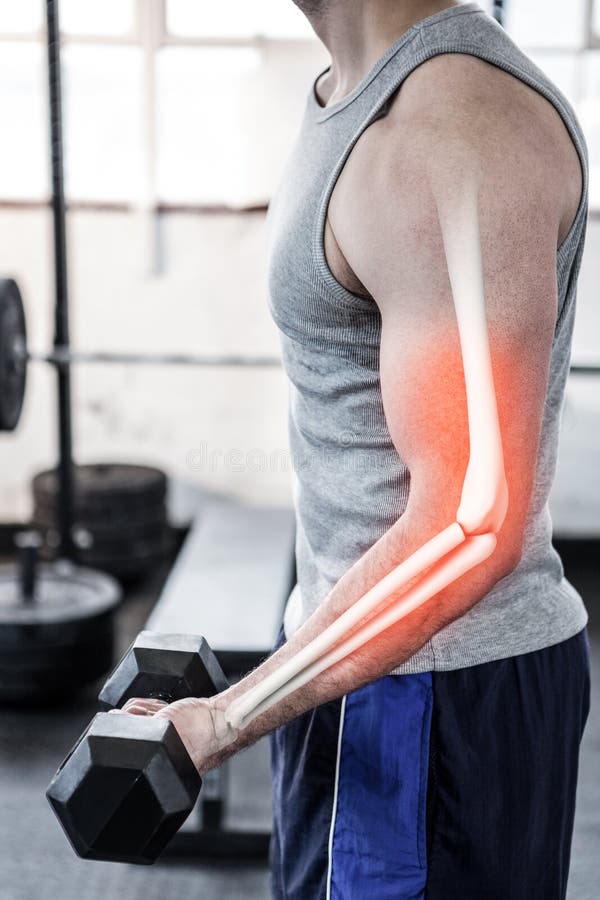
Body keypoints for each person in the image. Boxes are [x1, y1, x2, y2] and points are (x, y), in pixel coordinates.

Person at [121, 2, 591, 896]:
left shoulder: (451, 129)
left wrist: (225, 720)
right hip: (365, 666)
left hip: (429, 694)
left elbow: (469, 522)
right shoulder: (358, 94)